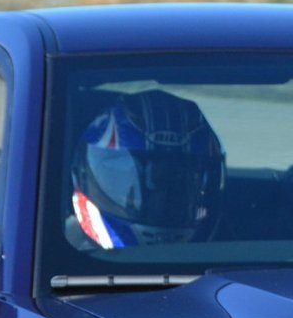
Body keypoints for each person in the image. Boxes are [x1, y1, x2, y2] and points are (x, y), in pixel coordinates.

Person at [66, 90, 225, 251]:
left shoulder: (229, 255)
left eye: (177, 182)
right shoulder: (51, 256)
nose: (161, 201)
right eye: (122, 178)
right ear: (84, 175)